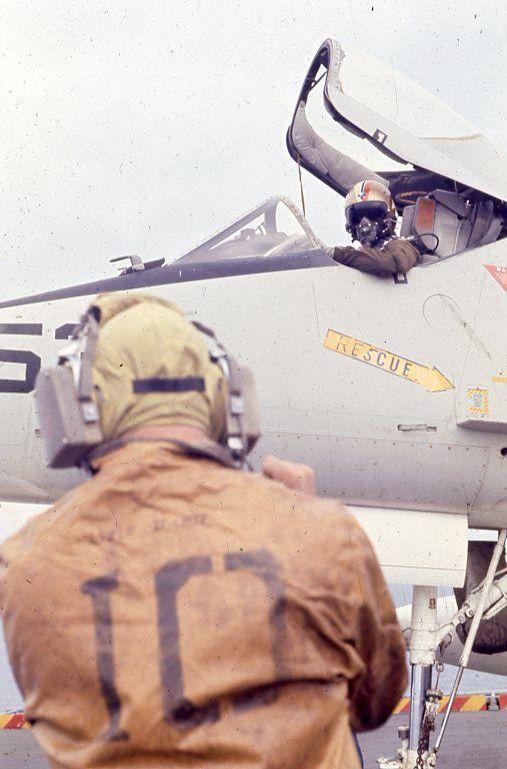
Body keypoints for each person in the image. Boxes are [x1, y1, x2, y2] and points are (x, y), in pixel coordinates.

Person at [0, 292, 407, 769]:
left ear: (76, 408)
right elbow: (374, 701)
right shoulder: (323, 533)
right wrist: (305, 529)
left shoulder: (25, 565)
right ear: (226, 400)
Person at [327, 180, 423, 277]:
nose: (364, 223)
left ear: (389, 217)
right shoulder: (361, 259)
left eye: (372, 215)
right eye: (357, 218)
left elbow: (392, 263)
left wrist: (340, 254)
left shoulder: (402, 245)